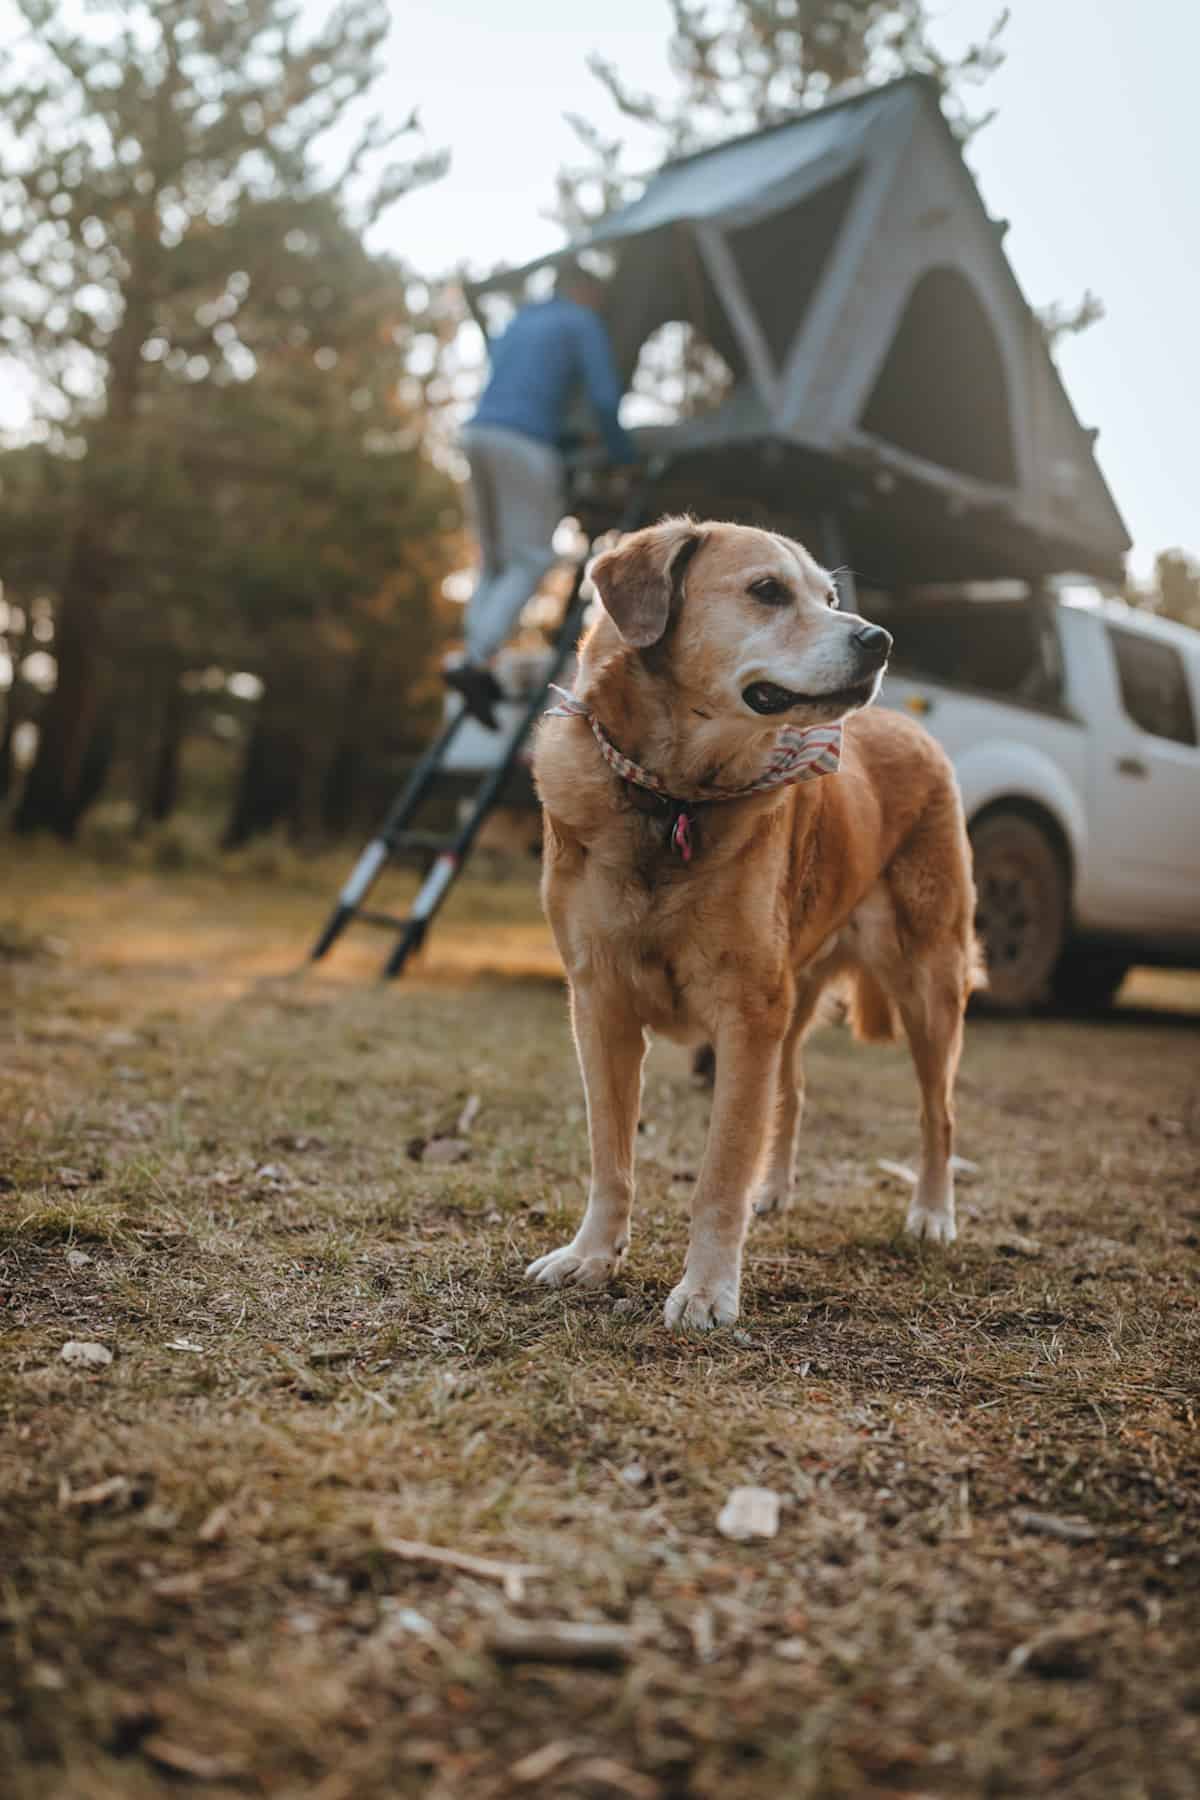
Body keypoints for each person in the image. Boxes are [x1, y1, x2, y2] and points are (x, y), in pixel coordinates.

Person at [447, 260, 637, 728]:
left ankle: (473, 659)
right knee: (531, 558)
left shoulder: (522, 319)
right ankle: (475, 664)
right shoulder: (581, 320)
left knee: (494, 560)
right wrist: (621, 452)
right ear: (582, 288)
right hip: (526, 442)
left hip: (478, 433)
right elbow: (604, 396)